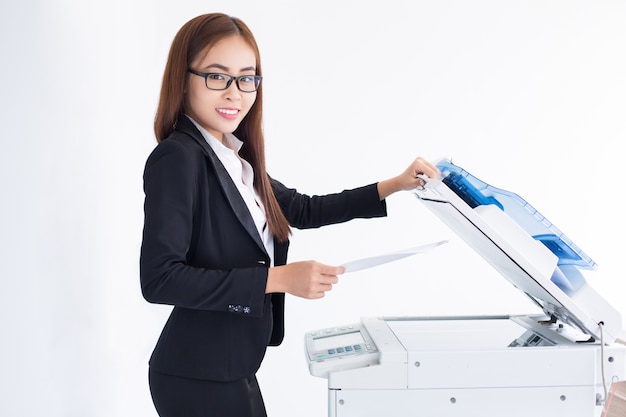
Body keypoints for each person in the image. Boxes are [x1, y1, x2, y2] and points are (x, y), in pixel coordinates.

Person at [140, 12, 439, 417]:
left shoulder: (234, 158)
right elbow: (160, 279)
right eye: (216, 76)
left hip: (233, 366)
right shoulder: (178, 158)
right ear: (184, 79)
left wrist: (396, 184)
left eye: (247, 78)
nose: (234, 93)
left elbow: (304, 209)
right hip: (196, 374)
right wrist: (277, 279)